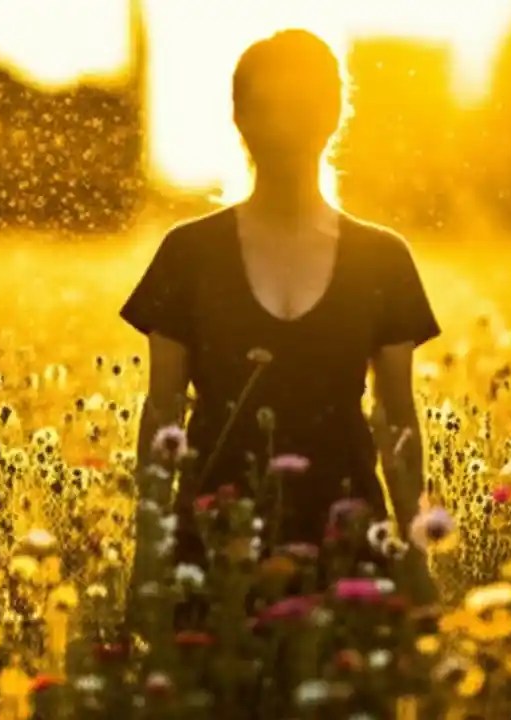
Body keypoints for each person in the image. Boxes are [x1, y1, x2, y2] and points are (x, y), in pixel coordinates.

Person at [120, 29, 441, 605]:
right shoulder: (187, 254)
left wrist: (415, 556)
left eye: (303, 108)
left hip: (347, 549)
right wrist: (149, 558)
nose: (285, 129)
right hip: (214, 551)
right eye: (267, 108)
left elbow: (397, 423)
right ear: (239, 118)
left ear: (333, 115)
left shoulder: (384, 259)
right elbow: (161, 414)